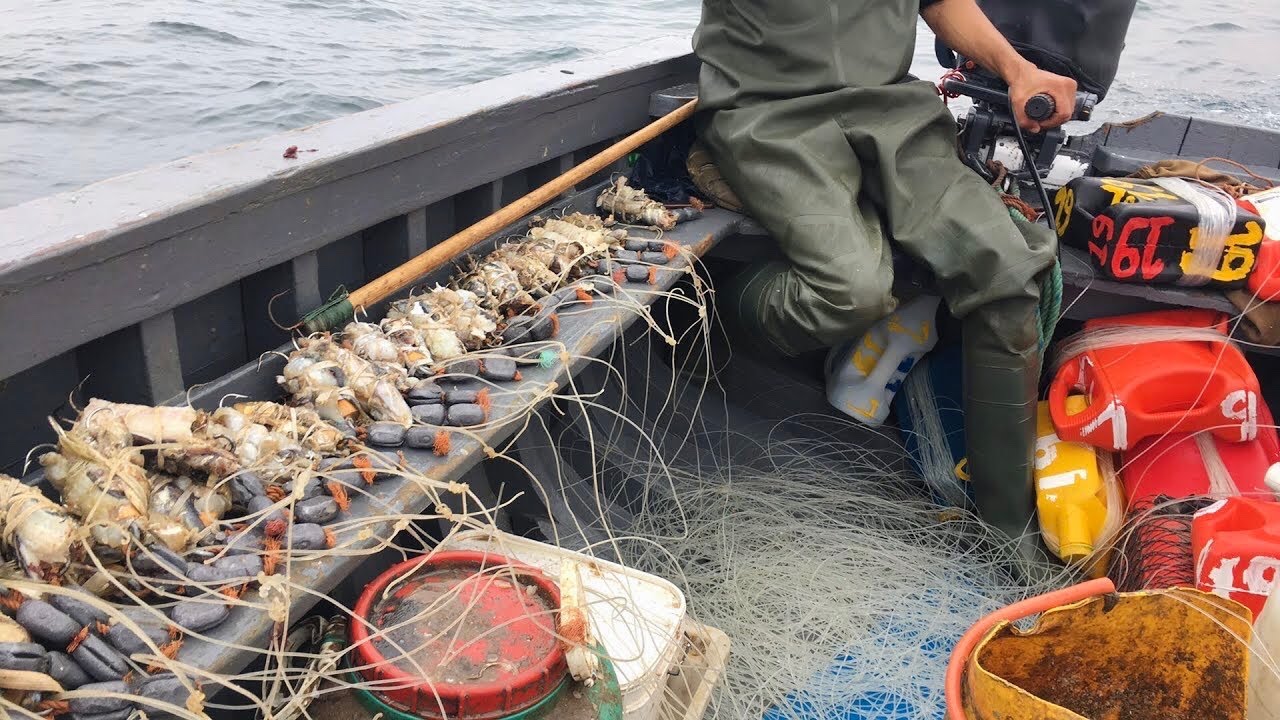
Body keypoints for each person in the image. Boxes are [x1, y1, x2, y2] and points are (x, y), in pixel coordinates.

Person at [691, 0, 1078, 549]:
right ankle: (700, 322)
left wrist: (1018, 69)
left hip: (892, 109)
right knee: (849, 291)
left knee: (1010, 274)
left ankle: (1006, 534)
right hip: (764, 113)